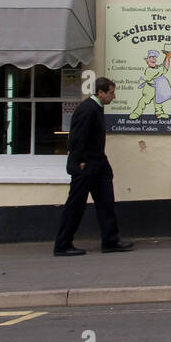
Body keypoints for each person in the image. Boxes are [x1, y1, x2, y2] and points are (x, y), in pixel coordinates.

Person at [53, 76, 134, 255]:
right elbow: (76, 138)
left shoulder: (96, 108)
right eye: (111, 93)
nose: (114, 96)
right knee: (75, 205)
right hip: (86, 165)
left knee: (106, 202)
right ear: (100, 92)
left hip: (98, 163)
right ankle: (62, 244)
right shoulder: (88, 110)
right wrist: (79, 161)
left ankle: (110, 241)